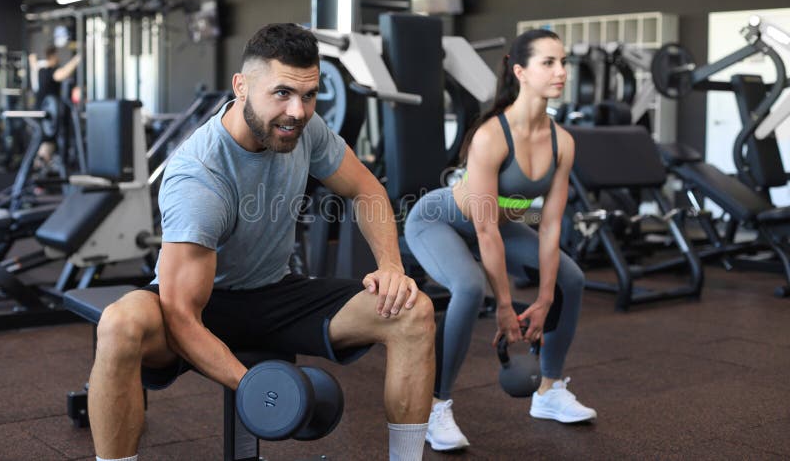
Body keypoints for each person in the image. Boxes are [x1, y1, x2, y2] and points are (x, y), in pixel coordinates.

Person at [87, 23, 435, 461]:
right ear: (242, 86)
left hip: (275, 292)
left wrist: (390, 266)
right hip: (199, 306)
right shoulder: (199, 176)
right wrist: (253, 385)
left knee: (412, 311)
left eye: (309, 95)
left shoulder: (304, 128)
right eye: (282, 93)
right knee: (119, 325)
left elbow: (366, 189)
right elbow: (180, 314)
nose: (297, 110)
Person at [404, 29, 596, 452]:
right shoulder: (492, 135)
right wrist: (506, 309)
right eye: (549, 63)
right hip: (440, 221)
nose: (561, 72)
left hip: (502, 223)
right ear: (521, 71)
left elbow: (549, 224)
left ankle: (548, 391)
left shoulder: (562, 142)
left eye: (563, 62)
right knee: (470, 287)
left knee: (572, 279)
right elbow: (485, 230)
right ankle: (434, 407)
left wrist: (544, 300)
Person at [28, 45, 81, 167]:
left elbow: (33, 62)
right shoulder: (47, 71)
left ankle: (40, 172)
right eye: (57, 55)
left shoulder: (40, 69)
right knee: (47, 144)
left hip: (46, 113)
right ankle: (40, 174)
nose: (59, 58)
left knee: (47, 145)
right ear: (52, 56)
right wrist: (77, 59)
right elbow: (62, 74)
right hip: (47, 115)